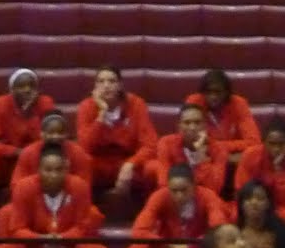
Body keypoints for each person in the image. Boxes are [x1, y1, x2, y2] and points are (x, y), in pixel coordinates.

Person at [76, 65, 157, 204]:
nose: (106, 86)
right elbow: (84, 146)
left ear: (120, 85)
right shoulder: (86, 106)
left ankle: (155, 212)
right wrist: (101, 115)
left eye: (112, 81)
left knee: (153, 168)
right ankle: (83, 212)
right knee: (80, 163)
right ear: (95, 87)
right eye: (101, 82)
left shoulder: (136, 104)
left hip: (128, 160)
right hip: (98, 162)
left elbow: (150, 144)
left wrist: (131, 164)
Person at [186, 68, 261, 166]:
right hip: (202, 158)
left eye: (218, 92)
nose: (213, 97)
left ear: (227, 92)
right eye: (209, 92)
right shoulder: (194, 102)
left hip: (231, 161)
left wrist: (217, 147)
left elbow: (254, 142)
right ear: (203, 93)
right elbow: (186, 139)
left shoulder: (238, 104)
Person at [235, 116, 285, 214]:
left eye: (280, 144)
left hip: (279, 209)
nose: (276, 149)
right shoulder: (250, 155)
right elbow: (241, 189)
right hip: (253, 204)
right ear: (264, 142)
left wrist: (279, 170)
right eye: (272, 144)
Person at [154, 102, 229, 196]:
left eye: (197, 122)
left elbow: (214, 188)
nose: (192, 127)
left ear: (205, 126)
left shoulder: (219, 149)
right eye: (187, 123)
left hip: (203, 199)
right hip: (174, 197)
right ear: (179, 126)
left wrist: (201, 159)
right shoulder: (166, 143)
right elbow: (163, 183)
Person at [0, 68, 52, 189]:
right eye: (21, 86)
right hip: (8, 157)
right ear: (11, 90)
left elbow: (47, 138)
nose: (27, 90)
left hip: (34, 156)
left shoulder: (45, 103)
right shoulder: (0, 104)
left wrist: (28, 114)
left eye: (31, 86)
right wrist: (15, 151)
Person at [15, 110, 92, 185]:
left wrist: (65, 177)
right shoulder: (28, 153)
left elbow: (84, 186)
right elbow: (16, 185)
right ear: (41, 133)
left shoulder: (78, 153)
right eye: (51, 132)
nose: (56, 136)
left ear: (67, 134)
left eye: (60, 132)